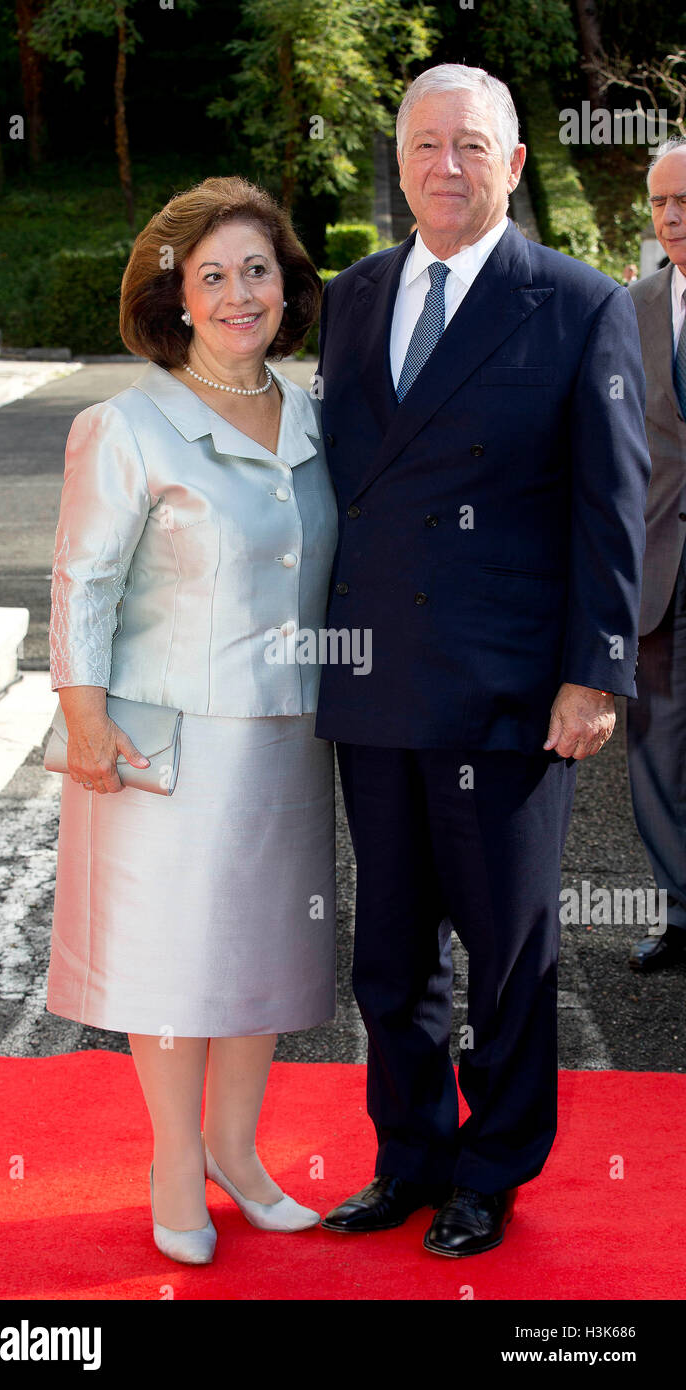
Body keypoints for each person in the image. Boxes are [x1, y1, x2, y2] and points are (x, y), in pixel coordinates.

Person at [313, 63, 651, 1257]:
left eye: (469, 145)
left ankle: (491, 1168)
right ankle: (407, 1156)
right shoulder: (352, 296)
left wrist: (594, 669)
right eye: (421, 144)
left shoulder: (574, 302)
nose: (442, 165)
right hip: (377, 680)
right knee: (391, 949)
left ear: (512, 164)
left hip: (510, 688)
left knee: (506, 952)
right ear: (395, 161)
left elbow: (613, 501)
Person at [45, 176, 338, 1263]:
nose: (235, 292)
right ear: (173, 297)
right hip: (159, 741)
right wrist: (81, 716)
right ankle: (174, 1156)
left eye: (254, 269)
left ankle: (236, 1147)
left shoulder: (317, 413)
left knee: (259, 954)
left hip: (286, 731)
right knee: (171, 962)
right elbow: (82, 581)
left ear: (285, 283)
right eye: (209, 275)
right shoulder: (124, 425)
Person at [626, 137, 686, 973]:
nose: (673, 217)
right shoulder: (628, 308)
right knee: (658, 754)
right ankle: (681, 914)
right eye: (661, 204)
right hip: (656, 573)